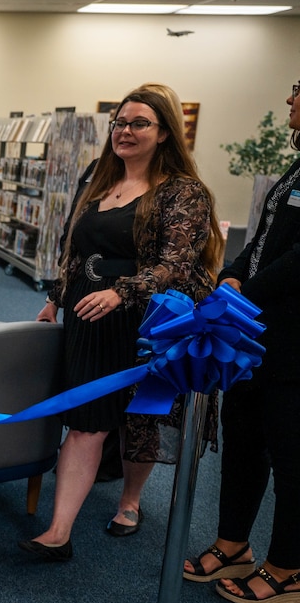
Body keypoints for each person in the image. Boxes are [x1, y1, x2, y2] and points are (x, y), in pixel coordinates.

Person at [20, 83, 224, 561]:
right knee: (86, 420)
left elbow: (175, 263)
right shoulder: (98, 177)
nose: (125, 131)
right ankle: (59, 531)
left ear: (164, 132)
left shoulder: (183, 191)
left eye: (139, 124)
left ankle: (129, 501)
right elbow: (75, 249)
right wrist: (55, 298)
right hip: (89, 313)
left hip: (147, 319)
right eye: (120, 123)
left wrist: (123, 292)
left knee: (140, 419)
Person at [183, 77, 300, 603]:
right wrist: (231, 273)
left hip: (292, 339)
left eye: (297, 89)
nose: (289, 98)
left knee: (291, 452)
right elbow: (265, 239)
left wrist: (242, 296)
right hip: (256, 330)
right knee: (244, 436)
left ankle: (288, 568)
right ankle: (233, 544)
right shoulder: (296, 166)